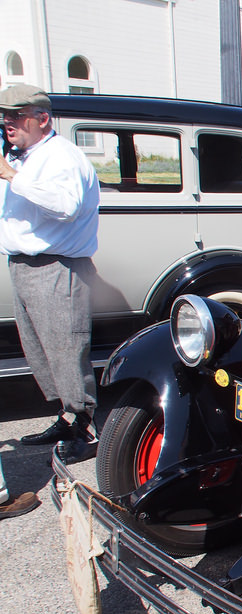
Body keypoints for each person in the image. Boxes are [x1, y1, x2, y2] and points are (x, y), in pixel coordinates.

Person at [0, 84, 101, 464]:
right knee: (42, 353)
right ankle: (67, 416)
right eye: (4, 115)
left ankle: (85, 428)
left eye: (16, 114)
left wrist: (10, 174)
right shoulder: (26, 157)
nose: (7, 121)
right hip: (26, 266)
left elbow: (67, 206)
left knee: (67, 350)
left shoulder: (62, 157)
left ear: (42, 118)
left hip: (56, 267)